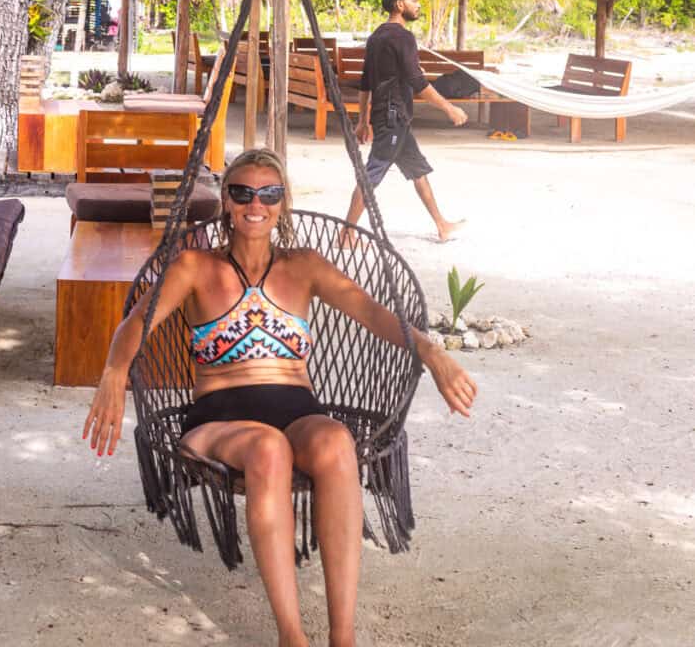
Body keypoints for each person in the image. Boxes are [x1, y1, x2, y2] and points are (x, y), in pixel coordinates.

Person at [83, 147, 478, 647]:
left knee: (335, 442)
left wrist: (432, 352)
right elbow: (134, 325)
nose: (256, 204)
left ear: (283, 203)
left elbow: (376, 314)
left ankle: (343, 636)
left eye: (269, 194)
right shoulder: (195, 267)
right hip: (218, 417)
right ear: (226, 201)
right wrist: (114, 370)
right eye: (243, 192)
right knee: (268, 449)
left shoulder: (304, 266)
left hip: (296, 408)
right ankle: (292, 637)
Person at [344, 0, 468, 244]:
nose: (418, 5)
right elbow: (417, 82)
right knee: (371, 175)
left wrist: (363, 120)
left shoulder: (377, 36)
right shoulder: (403, 38)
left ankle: (442, 225)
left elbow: (366, 81)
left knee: (417, 170)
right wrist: (449, 108)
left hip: (392, 116)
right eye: (414, 0)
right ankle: (347, 233)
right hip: (393, 117)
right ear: (400, 5)